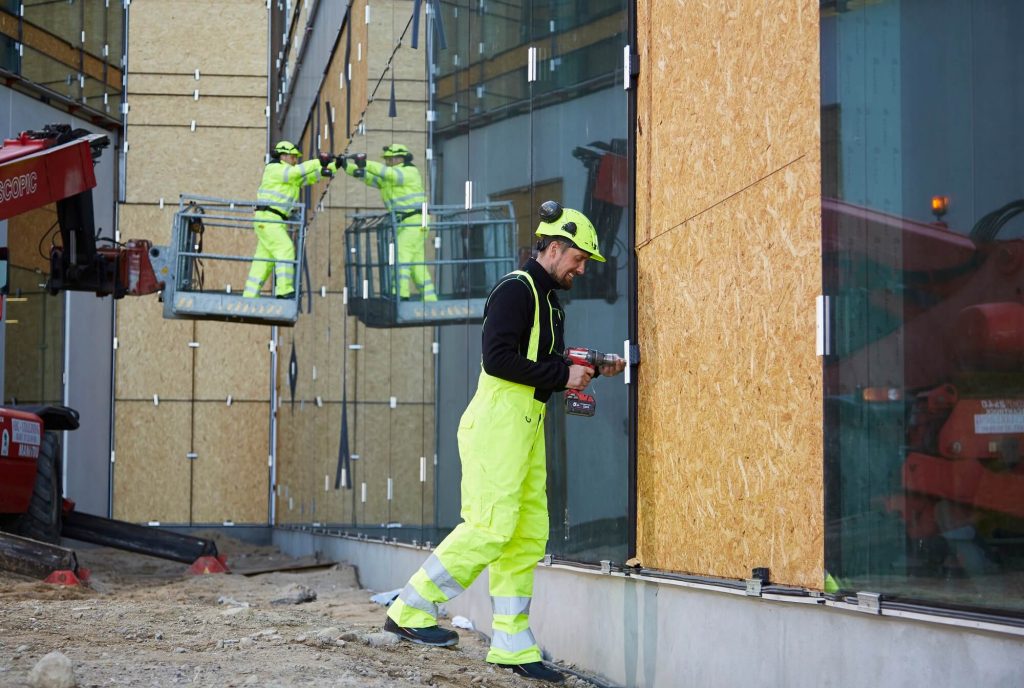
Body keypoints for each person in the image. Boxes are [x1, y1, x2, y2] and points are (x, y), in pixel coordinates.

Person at [383, 201, 625, 683]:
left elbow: (541, 363)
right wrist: (564, 372)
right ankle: (410, 610)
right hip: (499, 423)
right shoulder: (517, 290)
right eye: (578, 259)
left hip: (526, 425)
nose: (581, 269)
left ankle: (512, 644)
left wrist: (588, 370)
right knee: (491, 527)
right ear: (554, 248)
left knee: (526, 533)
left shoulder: (547, 300)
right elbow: (498, 359)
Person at [340, 143, 437, 301]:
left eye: (389, 159)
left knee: (401, 255)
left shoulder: (409, 172)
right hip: (408, 223)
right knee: (416, 263)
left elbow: (386, 173)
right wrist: (347, 167)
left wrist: (365, 163)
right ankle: (430, 298)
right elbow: (368, 177)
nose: (387, 162)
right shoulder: (390, 177)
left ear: (400, 158)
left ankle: (400, 294)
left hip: (415, 221)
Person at [243, 140, 337, 299]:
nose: (295, 160)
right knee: (285, 249)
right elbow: (298, 172)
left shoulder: (288, 174)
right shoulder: (274, 169)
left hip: (271, 220)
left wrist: (334, 165)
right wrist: (318, 161)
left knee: (264, 260)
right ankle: (284, 291)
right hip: (269, 218)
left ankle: (249, 296)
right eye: (293, 157)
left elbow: (308, 177)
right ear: (283, 156)